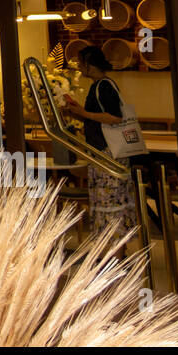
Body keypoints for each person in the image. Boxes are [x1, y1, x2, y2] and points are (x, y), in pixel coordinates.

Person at [61, 46, 139, 243]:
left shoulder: (103, 86)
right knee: (112, 203)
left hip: (108, 155)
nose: (79, 67)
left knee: (110, 204)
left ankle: (115, 255)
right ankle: (115, 253)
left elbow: (114, 116)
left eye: (81, 62)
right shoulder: (101, 85)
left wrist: (84, 113)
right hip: (105, 154)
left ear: (89, 64)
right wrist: (76, 112)